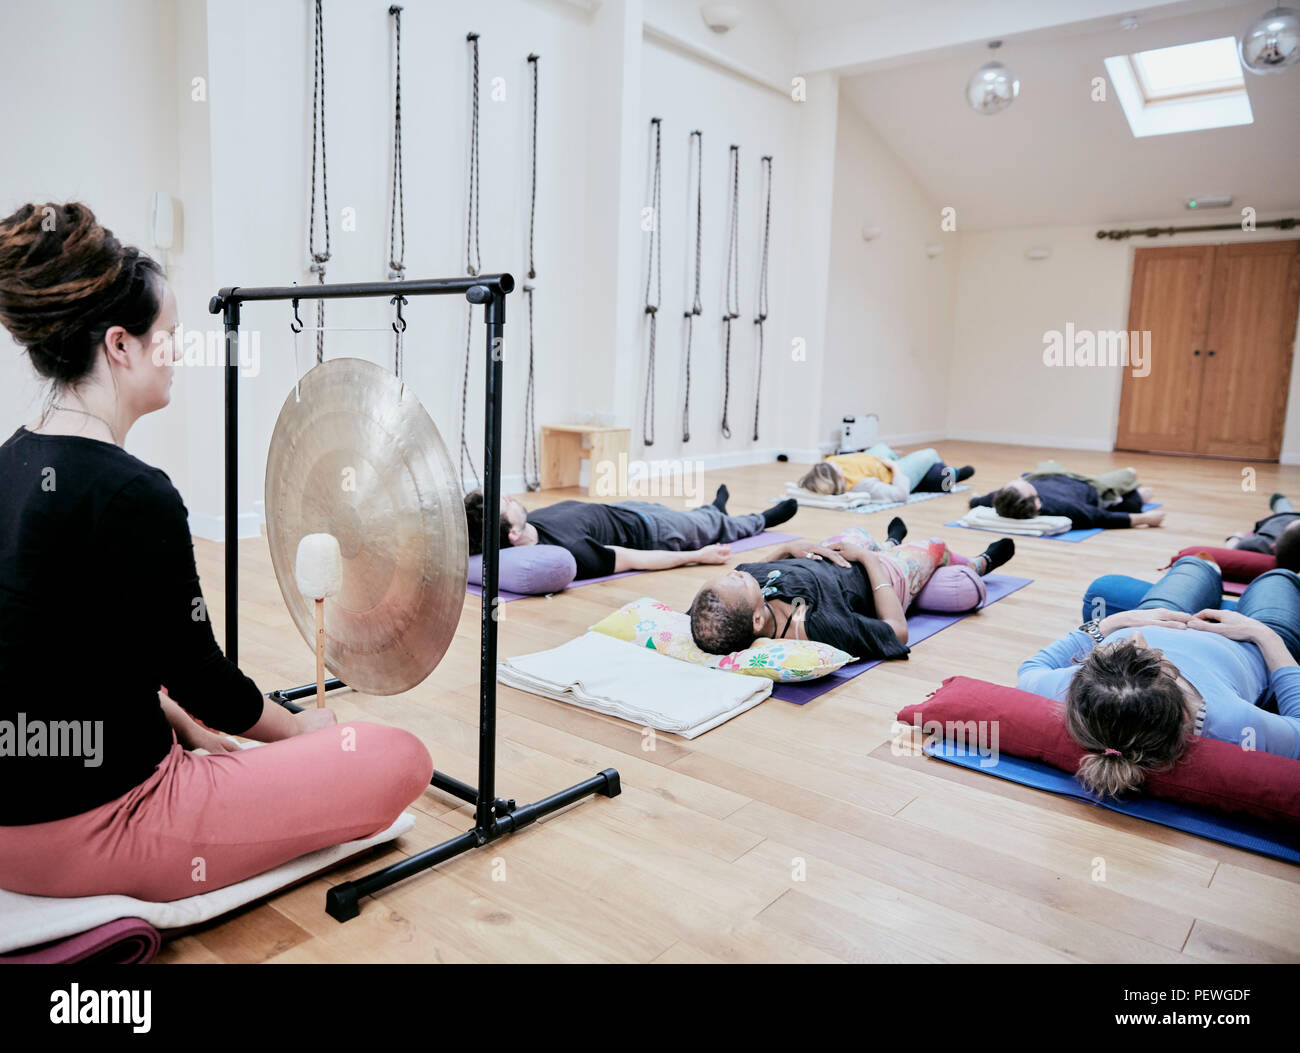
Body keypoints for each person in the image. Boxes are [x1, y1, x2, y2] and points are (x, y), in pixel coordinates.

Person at [0, 202, 433, 901]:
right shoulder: (134, 492)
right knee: (397, 756)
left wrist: (177, 721)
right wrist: (303, 731)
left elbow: (39, 650)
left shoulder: (9, 462)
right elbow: (205, 681)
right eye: (168, 336)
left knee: (160, 685)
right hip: (102, 825)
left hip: (9, 829)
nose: (178, 353)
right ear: (119, 345)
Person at [1018, 555, 1300, 799]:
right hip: (1248, 644)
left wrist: (1114, 622)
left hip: (1156, 614)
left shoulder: (1072, 690)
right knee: (1278, 576)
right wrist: (1263, 635)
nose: (1136, 638)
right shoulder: (1233, 722)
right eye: (1151, 656)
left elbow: (1031, 668)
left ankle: (1210, 567)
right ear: (1185, 715)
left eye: (1117, 648)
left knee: (1198, 561)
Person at [687, 519, 1016, 659]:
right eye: (735, 581)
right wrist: (870, 560)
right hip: (875, 575)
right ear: (757, 622)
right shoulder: (818, 626)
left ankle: (889, 542)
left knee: (856, 530)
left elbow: (744, 575)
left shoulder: (741, 601)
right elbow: (896, 632)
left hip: (827, 555)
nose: (736, 572)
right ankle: (979, 563)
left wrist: (789, 550)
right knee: (934, 546)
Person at [463, 486, 798, 580]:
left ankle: (714, 509)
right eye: (503, 504)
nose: (507, 497)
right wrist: (697, 556)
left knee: (699, 517)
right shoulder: (569, 551)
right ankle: (759, 518)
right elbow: (635, 559)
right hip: (654, 532)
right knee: (717, 528)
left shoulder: (526, 526)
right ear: (512, 534)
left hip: (624, 509)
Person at [970, 460, 1163, 529]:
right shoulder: (1066, 509)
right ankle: (1124, 497)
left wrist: (974, 500)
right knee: (1135, 478)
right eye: (1025, 486)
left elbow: (977, 501)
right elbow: (1101, 517)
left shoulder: (1004, 497)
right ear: (1036, 504)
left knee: (1048, 462)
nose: (1019, 481)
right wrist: (1145, 519)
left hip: (1049, 475)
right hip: (1092, 485)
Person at [798, 442, 973, 498]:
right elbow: (900, 493)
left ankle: (936, 475)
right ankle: (949, 475)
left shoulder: (831, 461)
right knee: (930, 455)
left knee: (881, 446)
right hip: (892, 472)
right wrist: (895, 467)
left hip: (877, 461)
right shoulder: (861, 485)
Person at [1227, 492, 1300, 571]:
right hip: (1289, 518)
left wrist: (1236, 537)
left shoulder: (1255, 544)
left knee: (1284, 512)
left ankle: (1280, 503)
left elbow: (1232, 550)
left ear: (1273, 546)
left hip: (1279, 519)